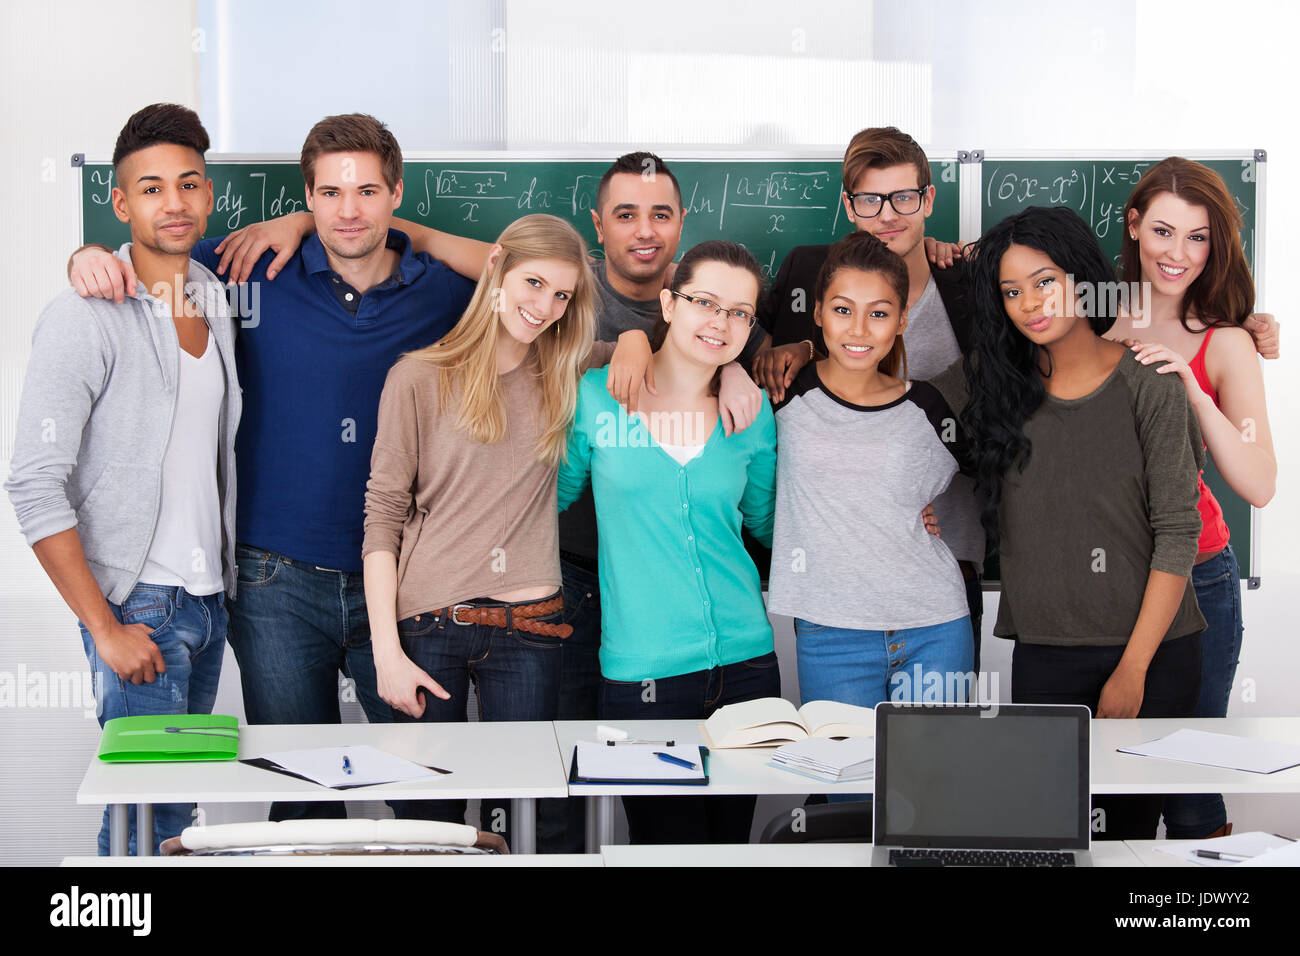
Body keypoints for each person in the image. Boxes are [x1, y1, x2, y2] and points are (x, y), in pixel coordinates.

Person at [67, 113, 481, 822]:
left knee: (429, 798)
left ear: (397, 193)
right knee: (301, 797)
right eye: (327, 194)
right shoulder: (250, 272)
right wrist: (83, 256)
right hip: (274, 583)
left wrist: (418, 234)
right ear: (309, 196)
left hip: (408, 578)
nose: (348, 210)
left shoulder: (442, 290)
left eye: (367, 192)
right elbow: (153, 264)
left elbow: (544, 271)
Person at [6, 104, 240, 854]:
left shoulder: (211, 293)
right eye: (150, 188)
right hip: (140, 606)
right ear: (120, 203)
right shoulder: (84, 313)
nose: (173, 203)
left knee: (174, 818)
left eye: (188, 184)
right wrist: (104, 628)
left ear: (208, 195)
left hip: (208, 604)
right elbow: (35, 482)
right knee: (144, 813)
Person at [933, 205, 1206, 840]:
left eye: (1044, 280)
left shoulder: (1150, 383)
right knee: (1052, 836)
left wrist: (1132, 670)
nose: (1029, 303)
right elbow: (886, 403)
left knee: (1127, 841)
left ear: (1081, 278)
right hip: (1046, 654)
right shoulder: (989, 382)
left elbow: (1178, 530)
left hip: (1152, 655)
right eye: (1010, 291)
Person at [363, 214, 604, 836]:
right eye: (534, 283)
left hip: (530, 627)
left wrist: (727, 366)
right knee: (426, 817)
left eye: (562, 295)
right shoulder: (416, 377)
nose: (545, 306)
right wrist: (386, 653)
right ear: (494, 270)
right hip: (429, 626)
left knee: (526, 812)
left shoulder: (567, 370)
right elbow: (383, 517)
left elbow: (669, 353)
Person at [557, 240, 778, 845]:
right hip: (641, 677)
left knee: (730, 850)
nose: (721, 322)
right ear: (669, 303)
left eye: (739, 312)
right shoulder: (598, 398)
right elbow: (547, 501)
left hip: (747, 668)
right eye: (705, 302)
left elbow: (770, 523)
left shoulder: (752, 414)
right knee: (663, 852)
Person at [749, 127, 987, 674]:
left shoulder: (969, 283)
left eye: (904, 197)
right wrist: (800, 348)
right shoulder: (806, 274)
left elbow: (1010, 397)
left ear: (928, 199)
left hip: (944, 564)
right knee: (842, 755)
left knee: (935, 756)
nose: (887, 215)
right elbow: (721, 336)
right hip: (838, 589)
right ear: (848, 205)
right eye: (869, 200)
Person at [1106, 157, 1276, 840]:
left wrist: (1194, 388)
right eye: (1164, 232)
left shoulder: (1228, 342)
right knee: (1112, 778)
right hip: (1108, 575)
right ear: (1134, 226)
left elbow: (1259, 482)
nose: (1179, 254)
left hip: (1199, 576)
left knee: (1190, 783)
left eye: (1198, 238)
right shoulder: (1088, 319)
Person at [768, 232, 973, 717]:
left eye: (879, 313)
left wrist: (918, 510)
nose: (859, 329)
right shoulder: (782, 393)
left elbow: (998, 472)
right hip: (830, 629)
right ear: (816, 313)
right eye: (842, 310)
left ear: (901, 320)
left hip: (936, 624)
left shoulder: (927, 404)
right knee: (844, 787)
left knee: (930, 788)